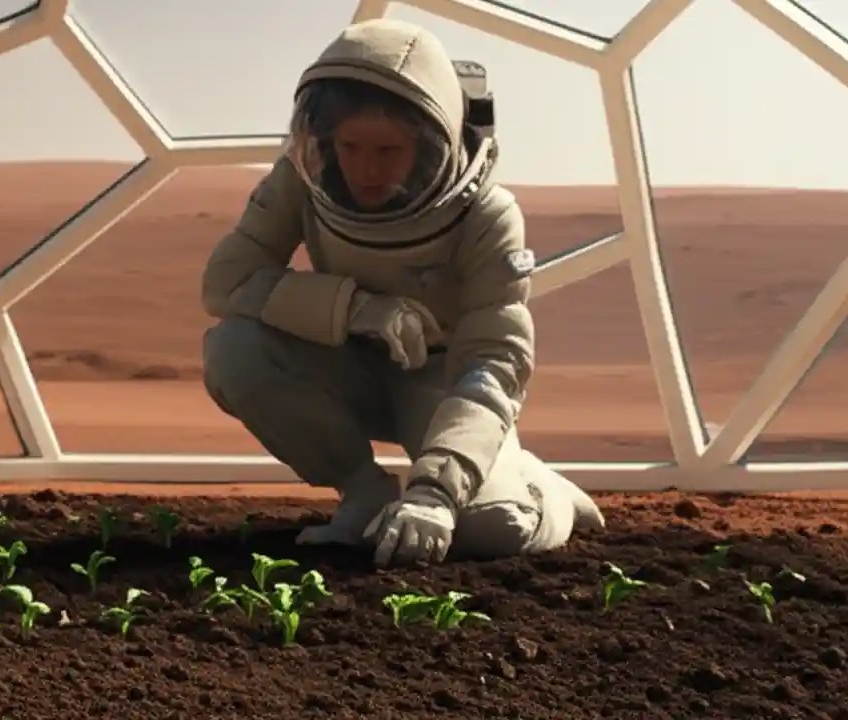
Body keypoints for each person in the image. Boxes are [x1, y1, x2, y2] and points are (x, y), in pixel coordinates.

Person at [199, 18, 605, 567]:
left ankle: (545, 493)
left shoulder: (487, 214)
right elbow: (226, 280)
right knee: (233, 350)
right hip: (343, 365)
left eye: (389, 150)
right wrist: (355, 309)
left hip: (442, 383)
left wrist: (435, 492)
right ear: (325, 139)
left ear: (432, 143)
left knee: (492, 527)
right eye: (350, 146)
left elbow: (496, 359)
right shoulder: (300, 181)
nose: (366, 169)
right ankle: (363, 493)